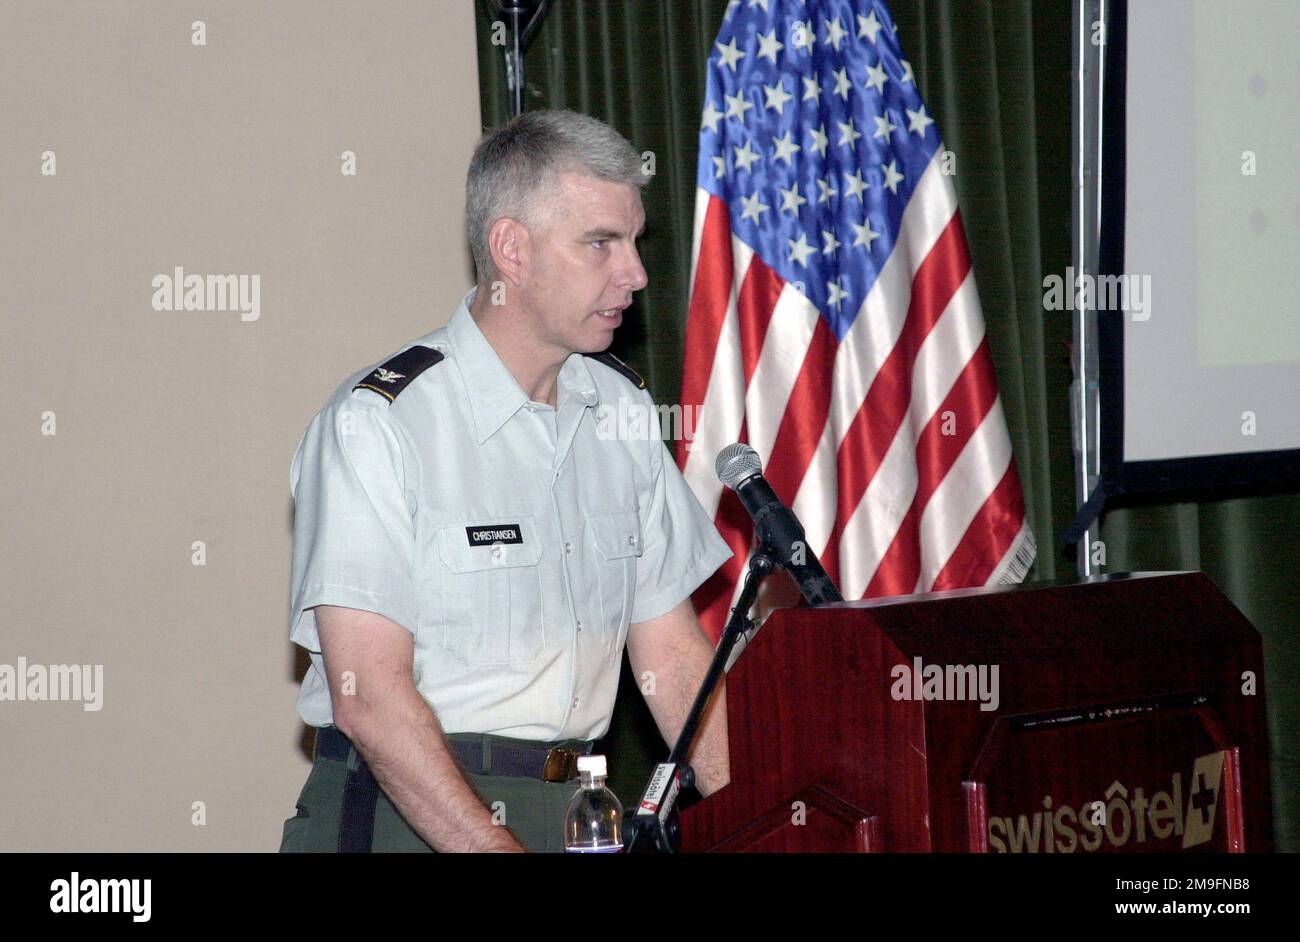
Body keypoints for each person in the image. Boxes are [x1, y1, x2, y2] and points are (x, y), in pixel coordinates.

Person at [279, 109, 734, 853]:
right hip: (408, 813)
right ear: (512, 250)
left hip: (578, 813)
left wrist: (772, 821)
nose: (637, 274)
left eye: (635, 241)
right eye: (601, 244)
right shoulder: (382, 422)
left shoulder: (617, 409)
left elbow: (674, 659)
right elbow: (372, 698)